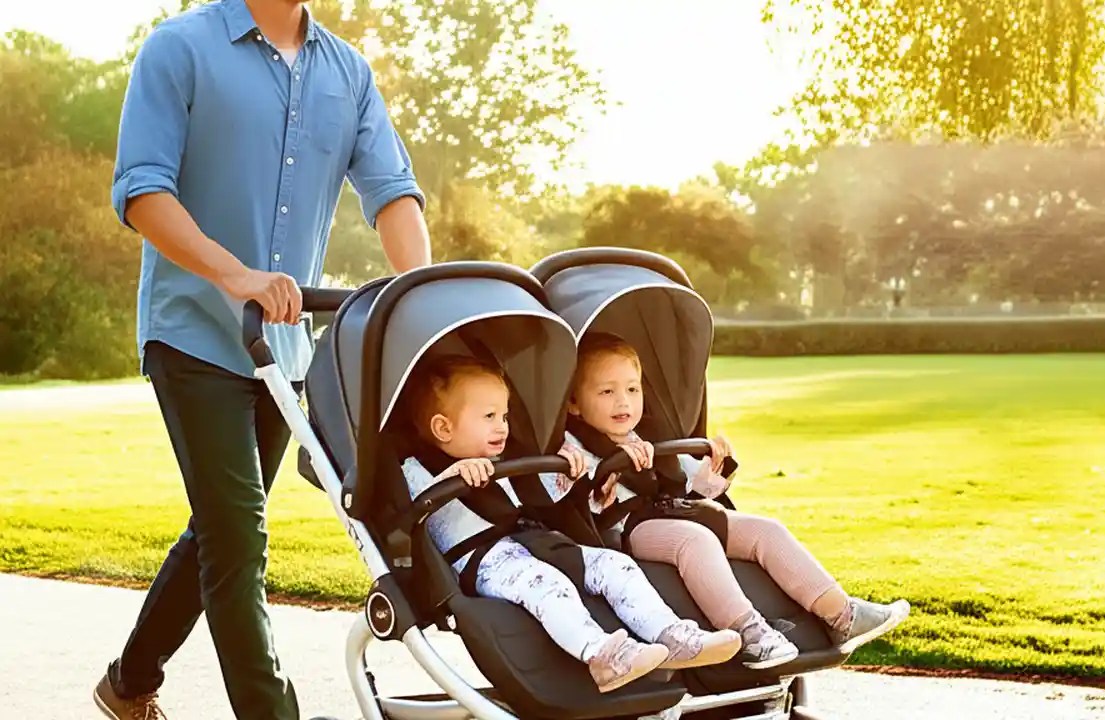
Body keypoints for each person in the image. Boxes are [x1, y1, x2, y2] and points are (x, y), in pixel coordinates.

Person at [93, 1, 431, 718]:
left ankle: (128, 683)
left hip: (280, 348)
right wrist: (235, 276)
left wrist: (420, 307)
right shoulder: (178, 48)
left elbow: (393, 194)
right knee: (239, 534)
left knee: (220, 529)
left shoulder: (347, 72)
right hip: (191, 331)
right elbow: (142, 191)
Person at [561, 332, 912, 669]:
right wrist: (602, 483)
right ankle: (751, 633)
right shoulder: (572, 447)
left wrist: (715, 462)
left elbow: (698, 484)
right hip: (627, 530)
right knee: (696, 540)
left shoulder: (648, 435)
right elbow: (571, 502)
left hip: (674, 510)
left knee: (765, 530)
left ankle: (842, 615)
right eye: (607, 391)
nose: (623, 401)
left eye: (632, 389)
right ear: (574, 403)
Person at [399, 357, 742, 693]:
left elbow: (550, 498)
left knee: (615, 564)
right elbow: (404, 519)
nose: (502, 426)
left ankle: (673, 636)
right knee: (549, 585)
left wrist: (569, 467)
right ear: (443, 427)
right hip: (486, 562)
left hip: (538, 543)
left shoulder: (508, 459)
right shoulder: (416, 469)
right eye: (489, 417)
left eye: (504, 415)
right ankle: (602, 657)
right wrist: (449, 478)